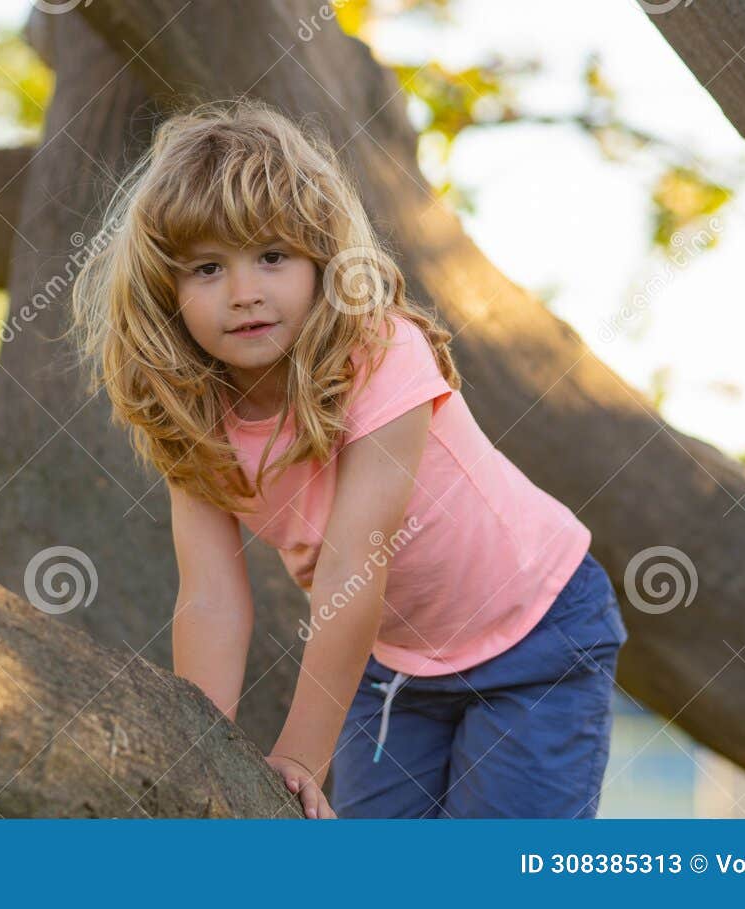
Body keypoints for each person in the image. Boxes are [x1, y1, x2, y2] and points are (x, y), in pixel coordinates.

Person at [67, 97, 628, 819]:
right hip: (394, 665)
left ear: (321, 262)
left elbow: (353, 566)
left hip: (537, 635)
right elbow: (209, 597)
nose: (244, 293)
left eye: (272, 256)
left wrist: (301, 754)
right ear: (164, 291)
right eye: (207, 268)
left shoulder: (379, 353)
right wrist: (196, 751)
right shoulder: (193, 416)